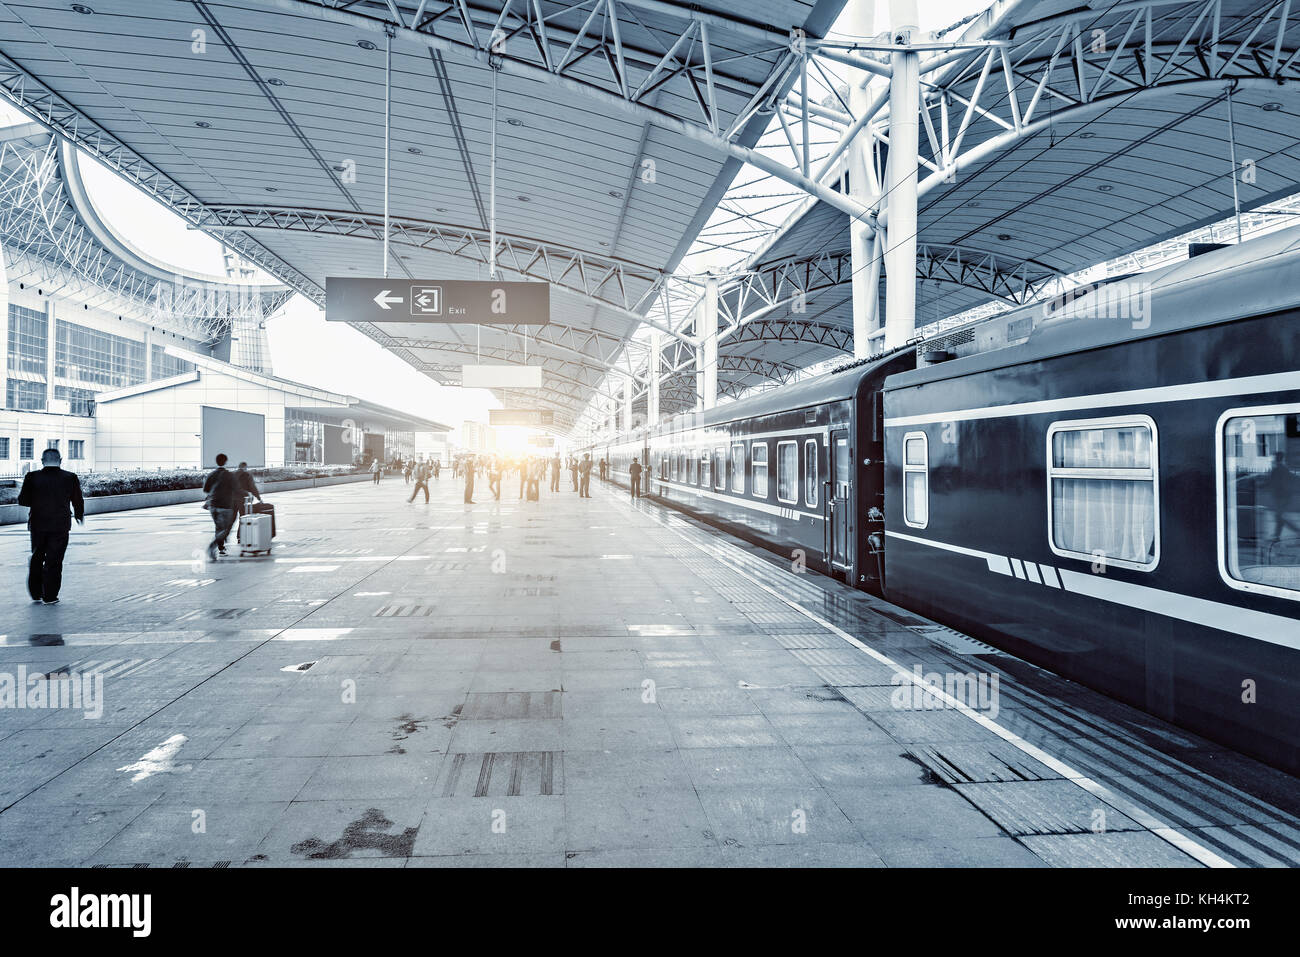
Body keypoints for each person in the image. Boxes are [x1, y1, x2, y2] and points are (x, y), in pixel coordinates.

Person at [18, 447, 84, 605]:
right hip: (60, 525)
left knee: (37, 557)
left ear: (42, 461)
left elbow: (23, 500)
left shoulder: (32, 477)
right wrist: (79, 515)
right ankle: (50, 596)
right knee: (54, 560)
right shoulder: (70, 477)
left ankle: (36, 593)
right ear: (60, 461)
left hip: (37, 524)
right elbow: (77, 500)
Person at [203, 453, 239, 560]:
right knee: (226, 528)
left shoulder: (212, 474)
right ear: (226, 462)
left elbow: (206, 489)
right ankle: (213, 545)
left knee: (218, 527)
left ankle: (220, 548)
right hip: (225, 506)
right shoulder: (229, 475)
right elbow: (237, 489)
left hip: (213, 505)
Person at [1266, 452, 1298, 547]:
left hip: (1281, 497)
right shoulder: (1284, 469)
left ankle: (1295, 531)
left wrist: (1261, 485)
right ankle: (1277, 536)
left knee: (1280, 517)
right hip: (1284, 497)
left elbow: (1272, 482)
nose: (1273, 459)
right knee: (1279, 517)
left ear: (1277, 458)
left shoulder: (1277, 469)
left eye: (1274, 457)